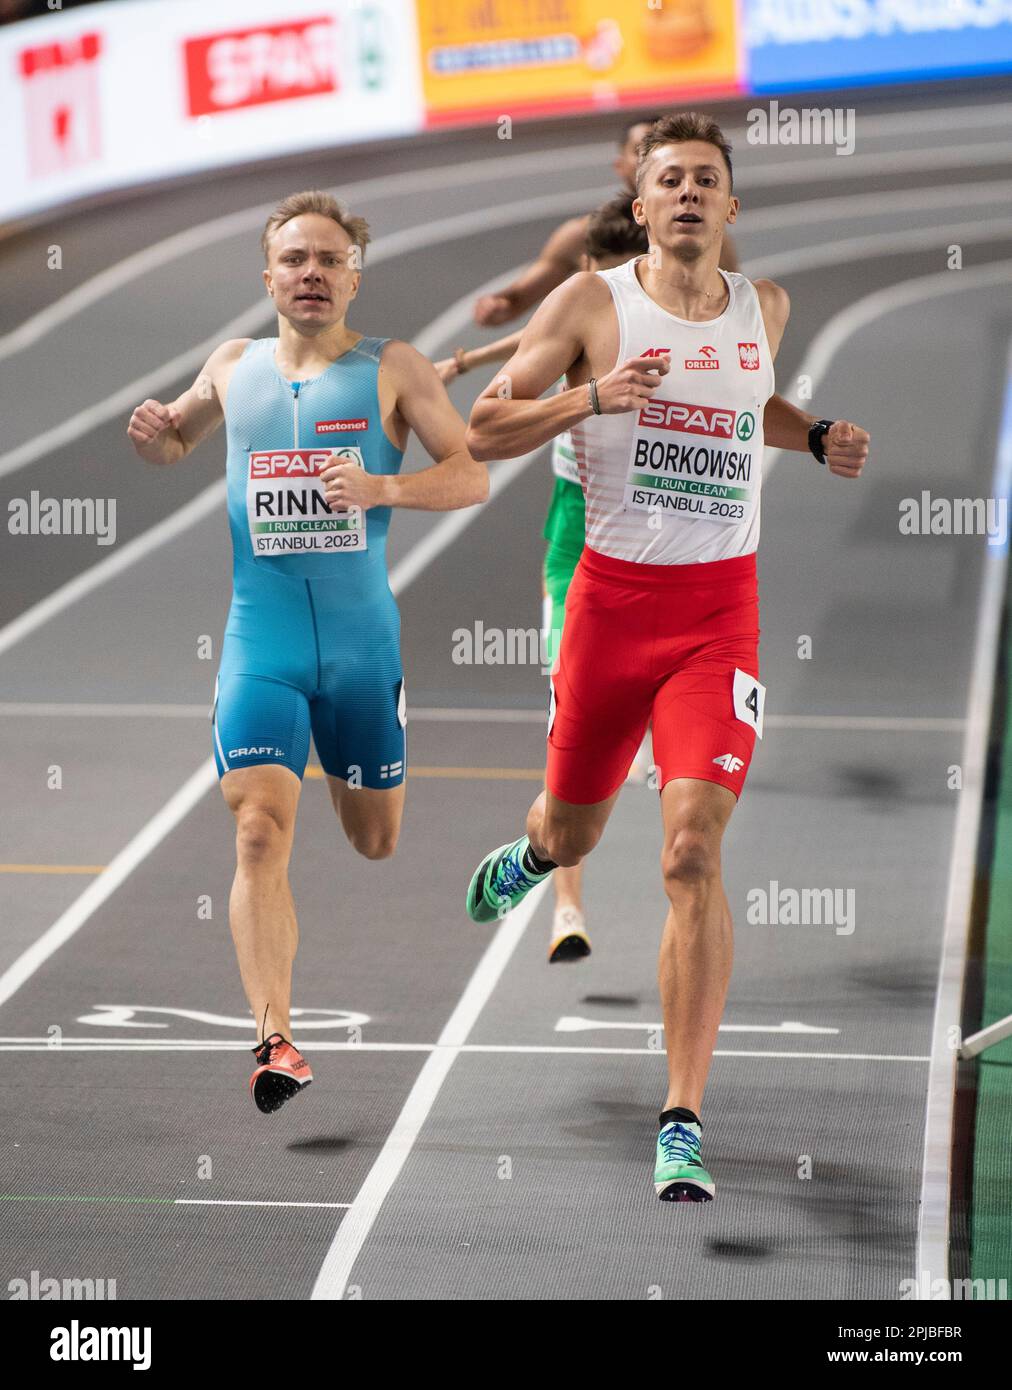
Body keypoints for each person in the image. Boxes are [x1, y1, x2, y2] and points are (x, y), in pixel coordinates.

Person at [462, 113, 869, 1202]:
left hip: (714, 619)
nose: (688, 193)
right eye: (669, 180)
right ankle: (539, 857)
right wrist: (591, 396)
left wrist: (814, 432)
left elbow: (745, 410)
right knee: (572, 823)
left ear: (731, 208)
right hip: (608, 608)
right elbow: (483, 430)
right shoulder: (591, 304)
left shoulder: (763, 306)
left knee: (690, 852)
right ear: (638, 207)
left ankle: (680, 1115)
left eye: (706, 180)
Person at [127, 191, 487, 1113]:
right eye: (295, 260)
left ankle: (354, 757)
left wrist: (381, 487)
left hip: (363, 646)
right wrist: (159, 436)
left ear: (354, 275)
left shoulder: (393, 367)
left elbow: (471, 472)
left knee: (374, 840)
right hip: (264, 640)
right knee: (257, 832)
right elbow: (179, 441)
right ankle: (275, 1039)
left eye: (330, 259)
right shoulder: (233, 364)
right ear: (269, 277)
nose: (313, 273)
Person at [471, 116, 739, 332]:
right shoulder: (582, 234)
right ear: (621, 165)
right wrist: (500, 304)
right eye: (640, 152)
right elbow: (522, 301)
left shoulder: (705, 238)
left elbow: (729, 314)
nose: (650, 159)